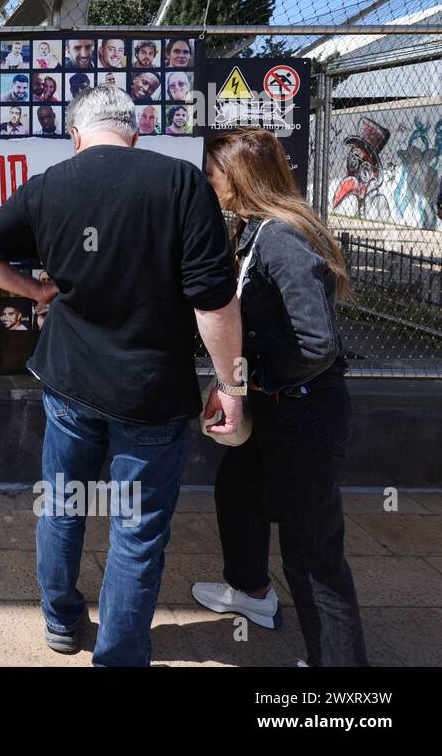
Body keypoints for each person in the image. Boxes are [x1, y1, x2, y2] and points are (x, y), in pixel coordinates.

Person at [0, 85, 244, 667]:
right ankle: (118, 655)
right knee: (137, 530)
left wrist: (37, 289)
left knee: (62, 502)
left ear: (77, 136)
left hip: (68, 384)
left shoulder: (50, 184)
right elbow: (213, 302)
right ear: (134, 134)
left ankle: (61, 622)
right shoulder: (180, 181)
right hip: (151, 393)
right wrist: (231, 385)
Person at [192, 127, 368, 667]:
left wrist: (250, 381)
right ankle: (251, 592)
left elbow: (316, 343)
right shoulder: (257, 233)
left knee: (312, 555)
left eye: (213, 173)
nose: (208, 182)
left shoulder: (282, 239)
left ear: (238, 178)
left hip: (302, 414)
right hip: (275, 409)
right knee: (237, 492)